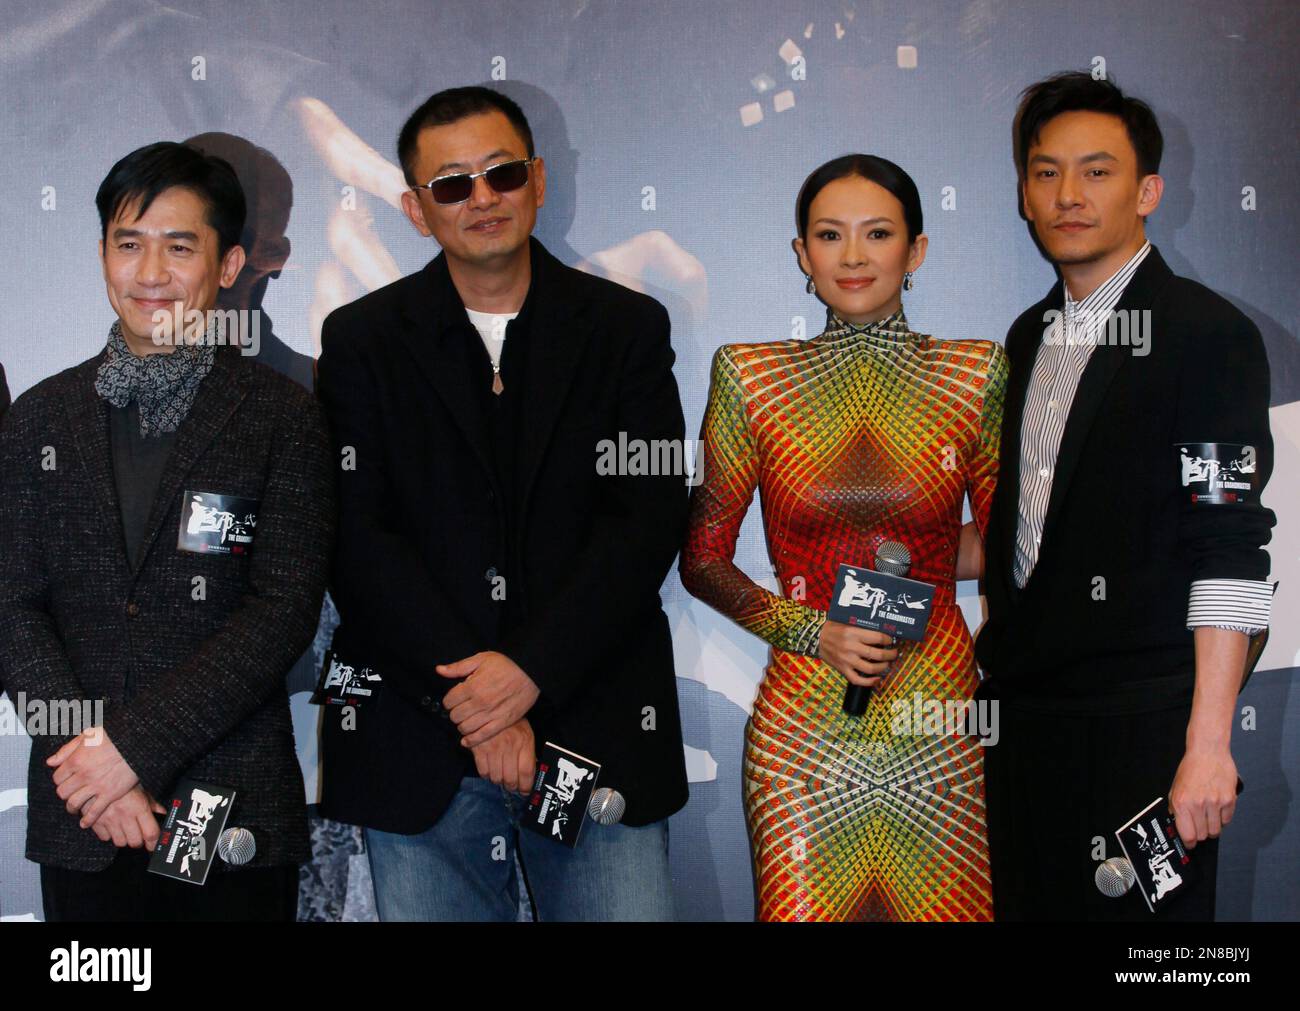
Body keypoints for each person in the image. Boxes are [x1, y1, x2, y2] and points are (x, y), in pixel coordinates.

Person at [315, 86, 688, 921]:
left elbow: (646, 520)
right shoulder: (362, 340)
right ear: (416, 210)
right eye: (452, 185)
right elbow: (358, 540)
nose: (482, 198)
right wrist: (481, 708)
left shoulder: (625, 328)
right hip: (420, 733)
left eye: (503, 173)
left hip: (597, 724)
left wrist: (529, 674)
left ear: (539, 180)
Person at [0, 141, 335, 921]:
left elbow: (282, 610)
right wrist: (91, 762)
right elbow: (11, 604)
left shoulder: (283, 416)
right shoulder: (39, 416)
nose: (150, 272)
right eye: (129, 244)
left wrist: (131, 750)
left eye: (179, 246)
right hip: (84, 811)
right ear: (102, 256)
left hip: (233, 807)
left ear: (229, 264)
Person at [975, 72, 1276, 921]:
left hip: (1148, 736)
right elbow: (1036, 530)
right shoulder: (1028, 336)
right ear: (1025, 194)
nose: (1068, 194)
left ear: (1148, 192)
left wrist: (1208, 744)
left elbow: (1228, 542)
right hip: (1028, 732)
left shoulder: (1206, 334)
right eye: (1046, 172)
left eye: (1097, 171)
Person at [680, 154, 1008, 921]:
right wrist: (813, 631)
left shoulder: (975, 372)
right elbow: (702, 559)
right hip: (805, 732)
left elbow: (1009, 551)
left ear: (916, 250)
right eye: (830, 235)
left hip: (940, 724)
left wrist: (928, 568)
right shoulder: (750, 376)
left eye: (878, 234)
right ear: (803, 253)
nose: (853, 255)